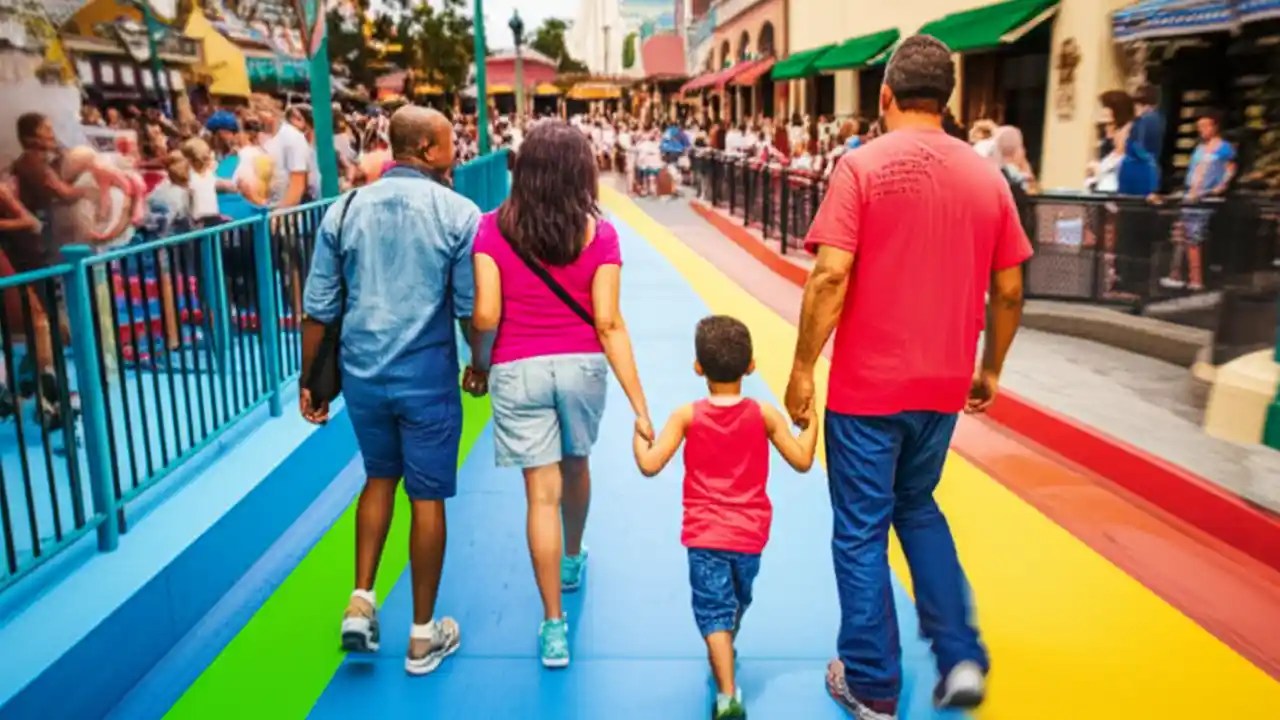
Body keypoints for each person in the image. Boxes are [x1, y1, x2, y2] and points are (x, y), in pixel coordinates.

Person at [783, 35, 1032, 719]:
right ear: (947, 102)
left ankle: (870, 682)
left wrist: (803, 366)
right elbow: (1008, 291)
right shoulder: (989, 179)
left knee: (861, 528)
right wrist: (991, 368)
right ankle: (960, 656)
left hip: (868, 389)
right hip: (943, 384)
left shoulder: (861, 166)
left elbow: (831, 273)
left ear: (885, 96)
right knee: (917, 507)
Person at [301, 105, 485, 677]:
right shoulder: (459, 213)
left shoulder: (345, 208)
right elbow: (469, 308)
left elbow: (318, 307)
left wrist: (312, 382)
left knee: (378, 478)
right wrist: (478, 364)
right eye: (451, 141)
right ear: (428, 148)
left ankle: (361, 600)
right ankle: (423, 636)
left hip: (362, 376)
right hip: (426, 379)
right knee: (426, 498)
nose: (457, 150)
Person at [471, 120, 651, 669]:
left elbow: (485, 314)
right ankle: (573, 557)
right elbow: (608, 322)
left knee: (539, 496)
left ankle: (553, 625)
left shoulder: (490, 229)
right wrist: (641, 407)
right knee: (578, 466)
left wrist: (479, 367)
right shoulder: (602, 235)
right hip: (582, 368)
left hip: (517, 369)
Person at [633, 315, 818, 720]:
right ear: (751, 365)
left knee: (714, 610)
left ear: (698, 367)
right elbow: (803, 459)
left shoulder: (686, 416)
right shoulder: (765, 415)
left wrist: (639, 434)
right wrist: (811, 422)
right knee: (735, 603)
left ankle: (727, 689)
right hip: (750, 536)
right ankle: (727, 680)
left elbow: (649, 464)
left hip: (704, 536)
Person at [1162, 109, 1235, 291]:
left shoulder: (1224, 148)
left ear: (1215, 126)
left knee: (1194, 237)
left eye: (1205, 126)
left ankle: (1196, 278)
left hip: (1205, 196)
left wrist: (1220, 186)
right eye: (1199, 126)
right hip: (1191, 194)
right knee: (1181, 236)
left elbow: (1229, 170)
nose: (1201, 130)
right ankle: (1176, 274)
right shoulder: (1199, 149)